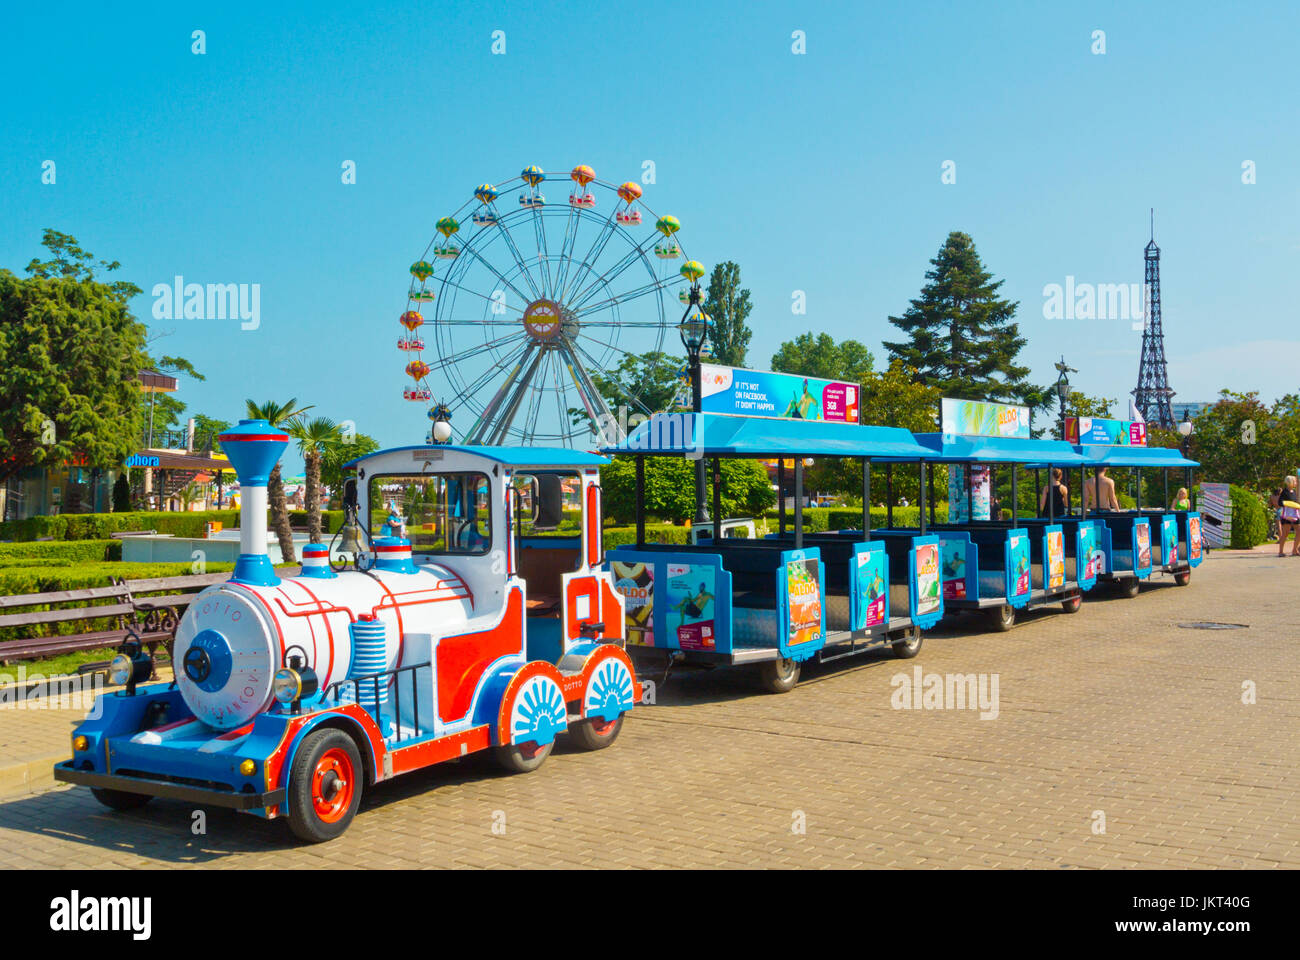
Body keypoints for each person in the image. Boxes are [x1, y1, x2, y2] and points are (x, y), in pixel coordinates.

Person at [1276, 475, 1300, 557]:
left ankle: (1294, 550)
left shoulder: (1294, 492)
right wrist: (1288, 504)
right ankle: (1281, 552)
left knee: (1299, 532)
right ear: (1290, 482)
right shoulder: (1284, 492)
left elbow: (1295, 502)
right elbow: (1280, 502)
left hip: (1295, 514)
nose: (1296, 483)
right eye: (1295, 481)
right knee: (1285, 533)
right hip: (1287, 515)